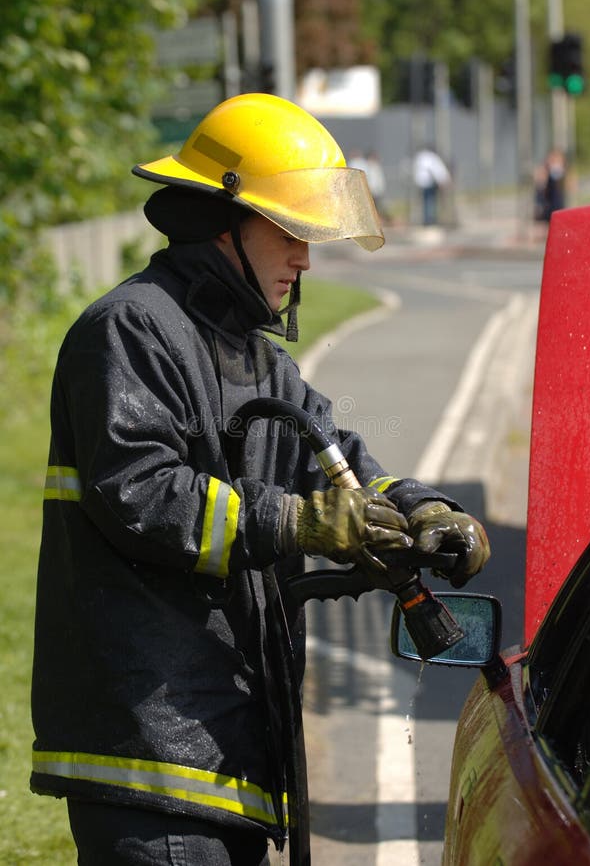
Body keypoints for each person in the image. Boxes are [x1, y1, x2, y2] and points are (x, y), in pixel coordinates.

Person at [30, 93, 490, 865]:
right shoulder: (131, 330)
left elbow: (336, 458)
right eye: (289, 232)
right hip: (151, 755)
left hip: (227, 750)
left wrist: (423, 510)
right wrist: (295, 525)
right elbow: (142, 494)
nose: (306, 258)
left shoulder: (257, 357)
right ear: (222, 218)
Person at [412, 145, 451, 226]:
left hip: (421, 182)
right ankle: (430, 220)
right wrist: (441, 181)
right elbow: (436, 170)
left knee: (426, 201)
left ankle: (427, 219)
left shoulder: (420, 157)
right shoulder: (431, 157)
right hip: (429, 182)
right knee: (430, 201)